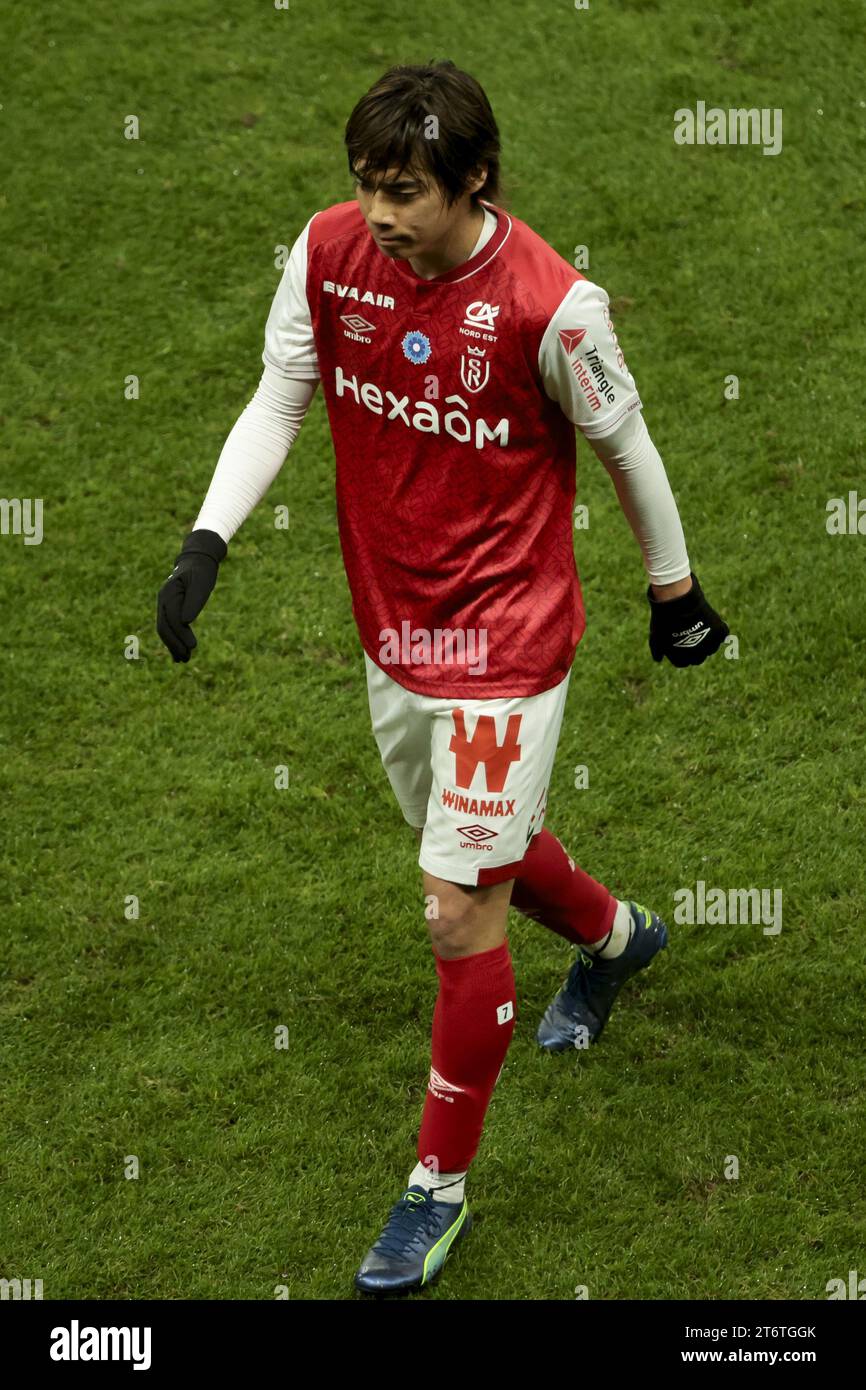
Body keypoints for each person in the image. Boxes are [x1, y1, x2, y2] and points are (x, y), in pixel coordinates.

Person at [156, 59, 729, 1297]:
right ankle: (618, 938)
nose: (378, 212)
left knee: (450, 904)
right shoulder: (323, 255)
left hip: (505, 643)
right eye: (365, 184)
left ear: (472, 179)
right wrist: (208, 540)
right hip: (395, 631)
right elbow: (282, 395)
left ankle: (433, 1190)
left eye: (405, 189)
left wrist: (671, 591)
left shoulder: (551, 308)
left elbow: (623, 443)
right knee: (474, 842)